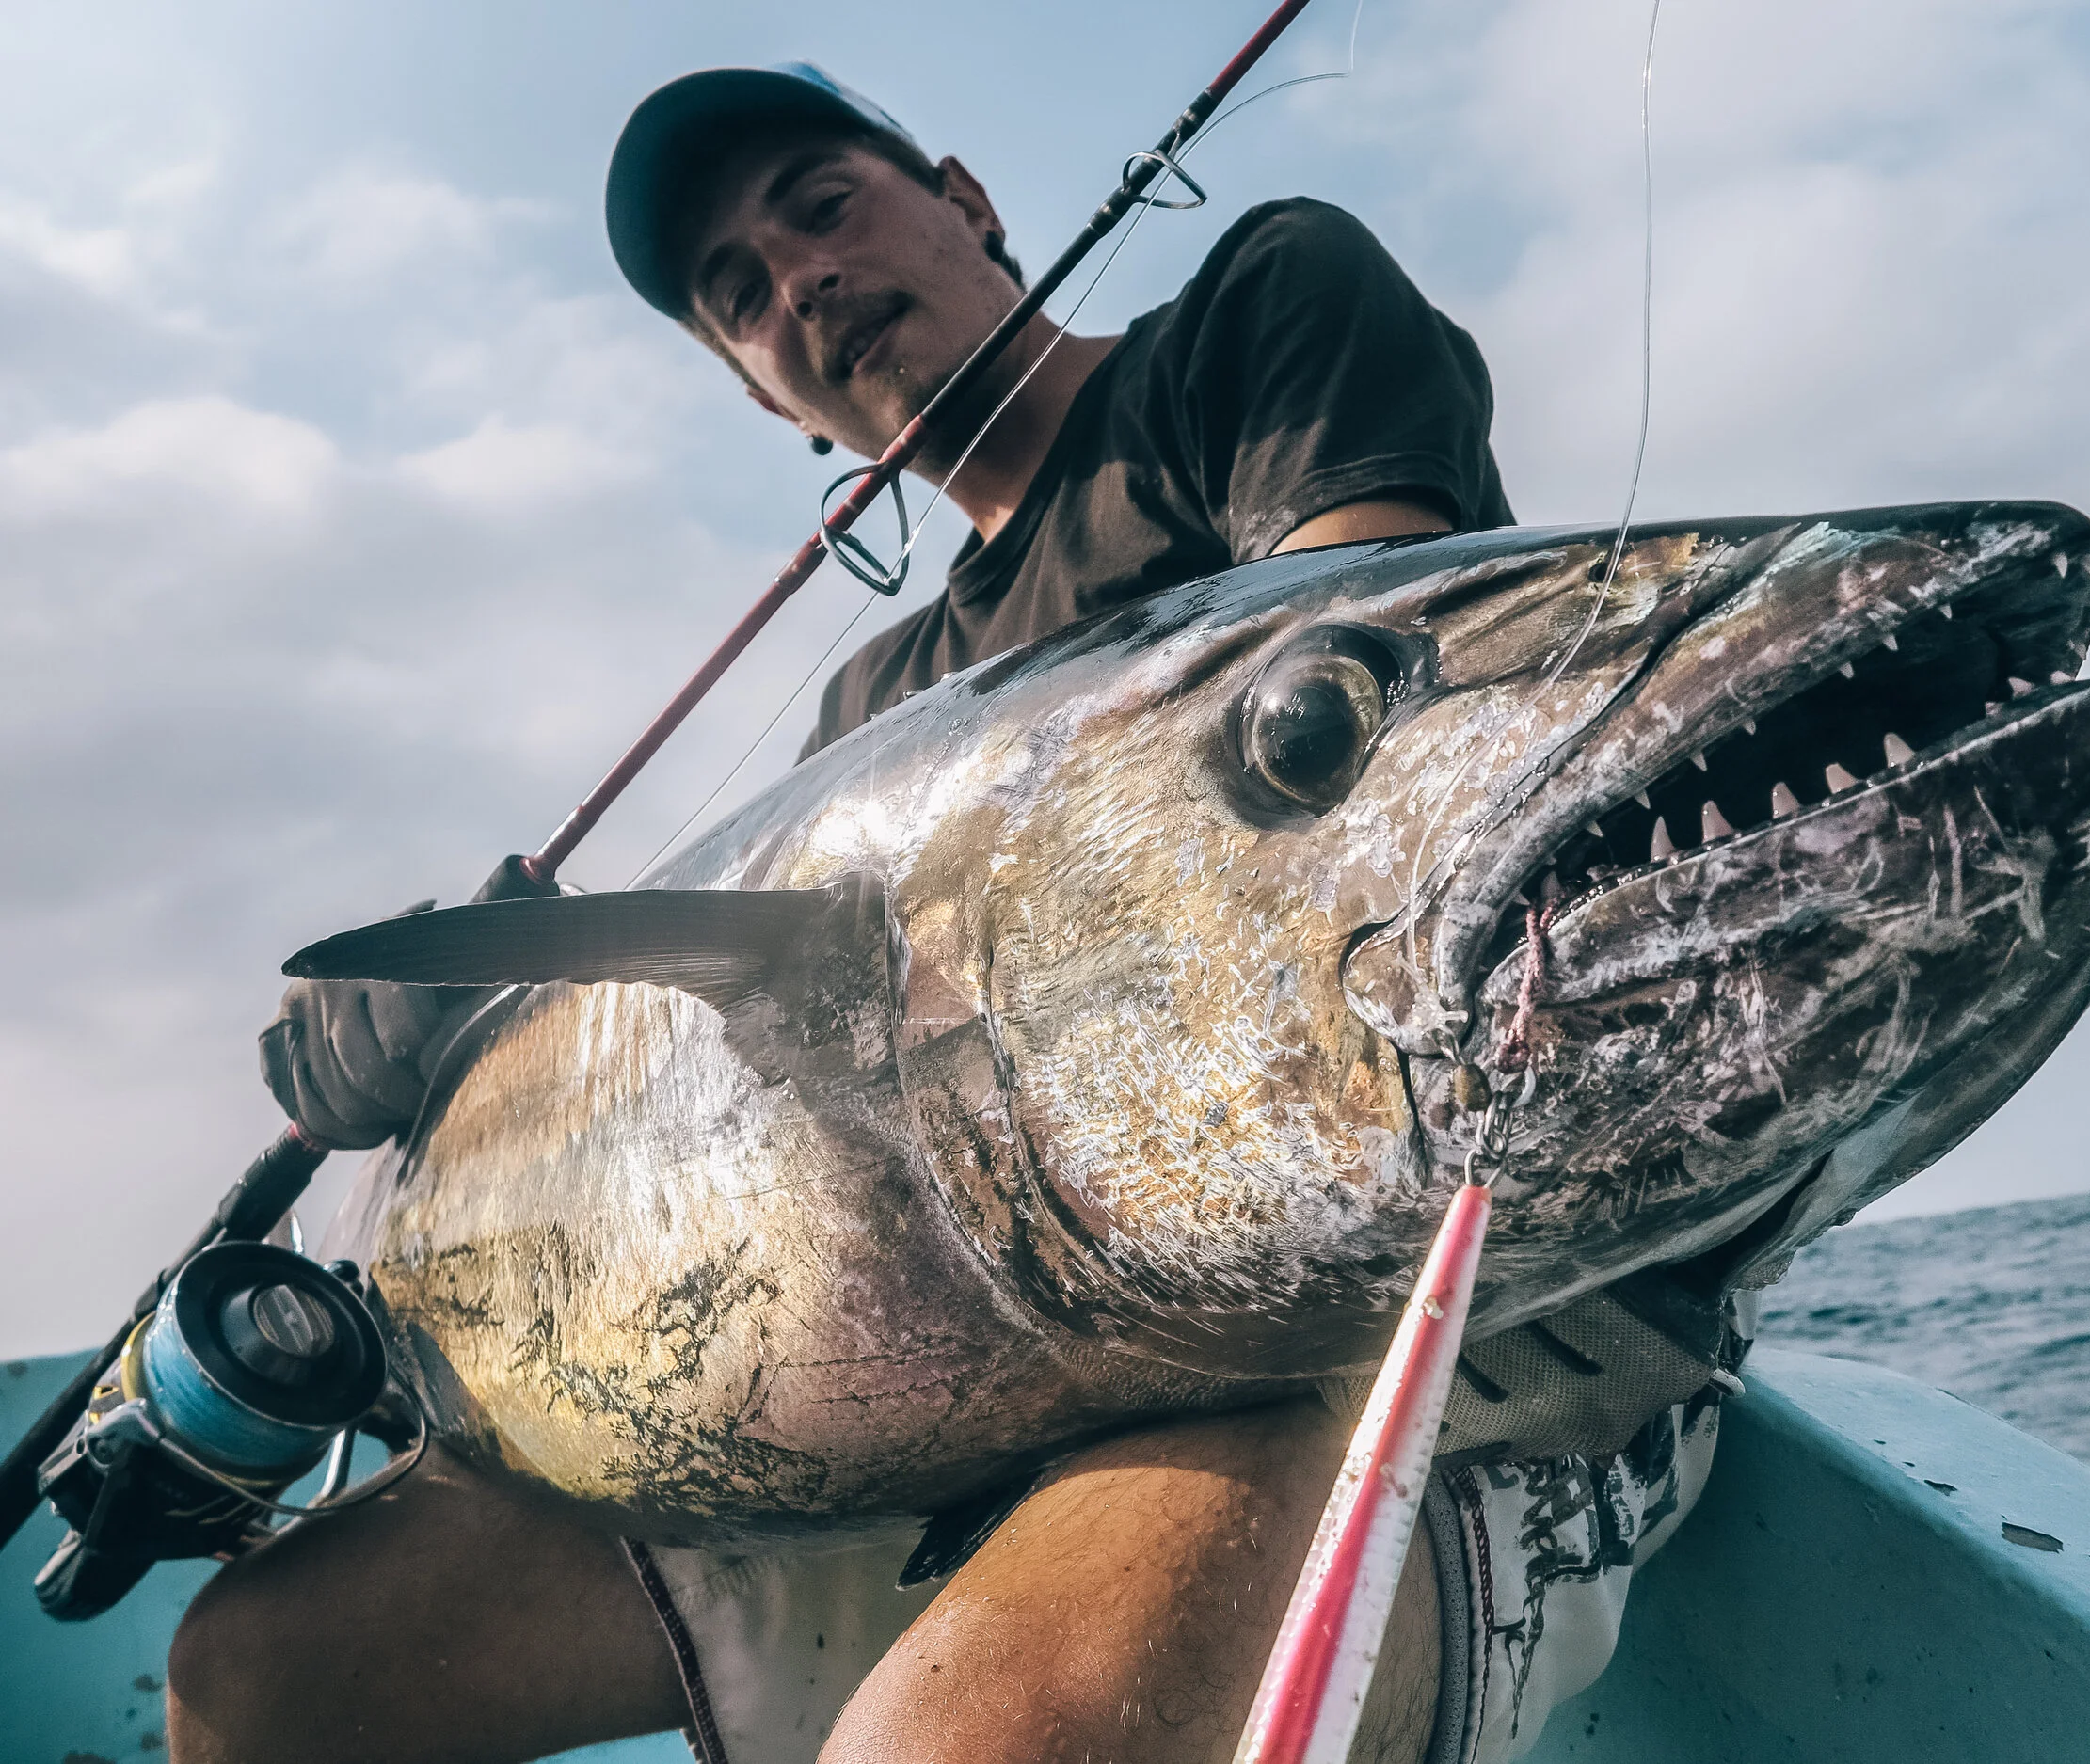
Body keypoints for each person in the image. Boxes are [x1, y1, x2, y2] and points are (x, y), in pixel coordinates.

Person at [172, 62, 1730, 1764]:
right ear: (766, 400)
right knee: (261, 1670)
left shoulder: (1255, 316)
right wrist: (455, 1045)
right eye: (739, 295)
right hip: (987, 1382)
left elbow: (1360, 773)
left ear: (971, 199)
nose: (799, 280)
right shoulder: (876, 712)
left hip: (1391, 1306)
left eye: (821, 205)